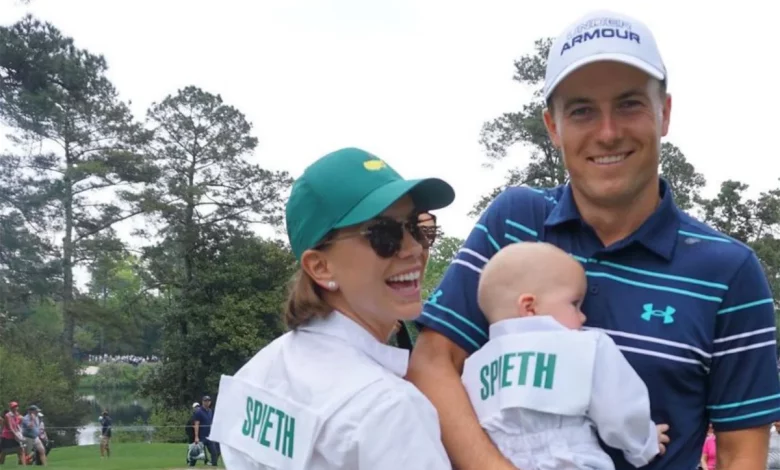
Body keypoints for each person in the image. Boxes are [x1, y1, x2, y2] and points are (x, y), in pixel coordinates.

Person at [408, 9, 780, 470]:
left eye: (629, 104)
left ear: (663, 114)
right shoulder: (514, 222)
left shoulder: (729, 271)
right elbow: (431, 362)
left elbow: (741, 454)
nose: (607, 133)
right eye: (582, 110)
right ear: (553, 127)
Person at [209, 147, 454, 469]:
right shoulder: (389, 408)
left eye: (417, 227)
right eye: (383, 234)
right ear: (320, 266)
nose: (413, 249)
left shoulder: (257, 372)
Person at [463, 242, 669, 469]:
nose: (583, 317)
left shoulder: (474, 367)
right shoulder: (585, 345)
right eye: (575, 304)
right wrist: (644, 443)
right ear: (530, 307)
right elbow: (619, 410)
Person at [192, 396, 219, 466]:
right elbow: (196, 424)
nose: (207, 402)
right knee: (197, 452)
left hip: (209, 436)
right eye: (205, 401)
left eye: (208, 401)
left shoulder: (210, 411)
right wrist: (196, 436)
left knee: (214, 453)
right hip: (201, 436)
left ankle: (213, 465)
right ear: (202, 402)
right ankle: (191, 464)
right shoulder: (199, 412)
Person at [0, 402, 24, 466]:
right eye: (14, 407)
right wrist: (16, 435)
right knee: (3, 452)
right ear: (11, 408)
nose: (15, 408)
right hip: (7, 436)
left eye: (16, 406)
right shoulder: (8, 415)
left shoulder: (17, 414)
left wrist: (19, 433)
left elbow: (16, 425)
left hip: (14, 435)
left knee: (20, 451)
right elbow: (10, 427)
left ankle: (23, 466)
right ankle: (1, 465)